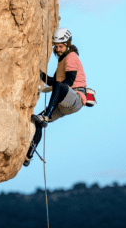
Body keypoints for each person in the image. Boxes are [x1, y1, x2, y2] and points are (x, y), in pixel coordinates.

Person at [24, 27, 87, 167]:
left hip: (76, 98)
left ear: (68, 45)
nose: (57, 49)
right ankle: (29, 155)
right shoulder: (62, 60)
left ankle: (46, 117)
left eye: (60, 46)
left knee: (44, 116)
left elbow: (68, 83)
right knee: (37, 124)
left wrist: (50, 89)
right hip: (63, 103)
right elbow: (55, 83)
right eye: (56, 46)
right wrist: (40, 75)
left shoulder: (71, 57)